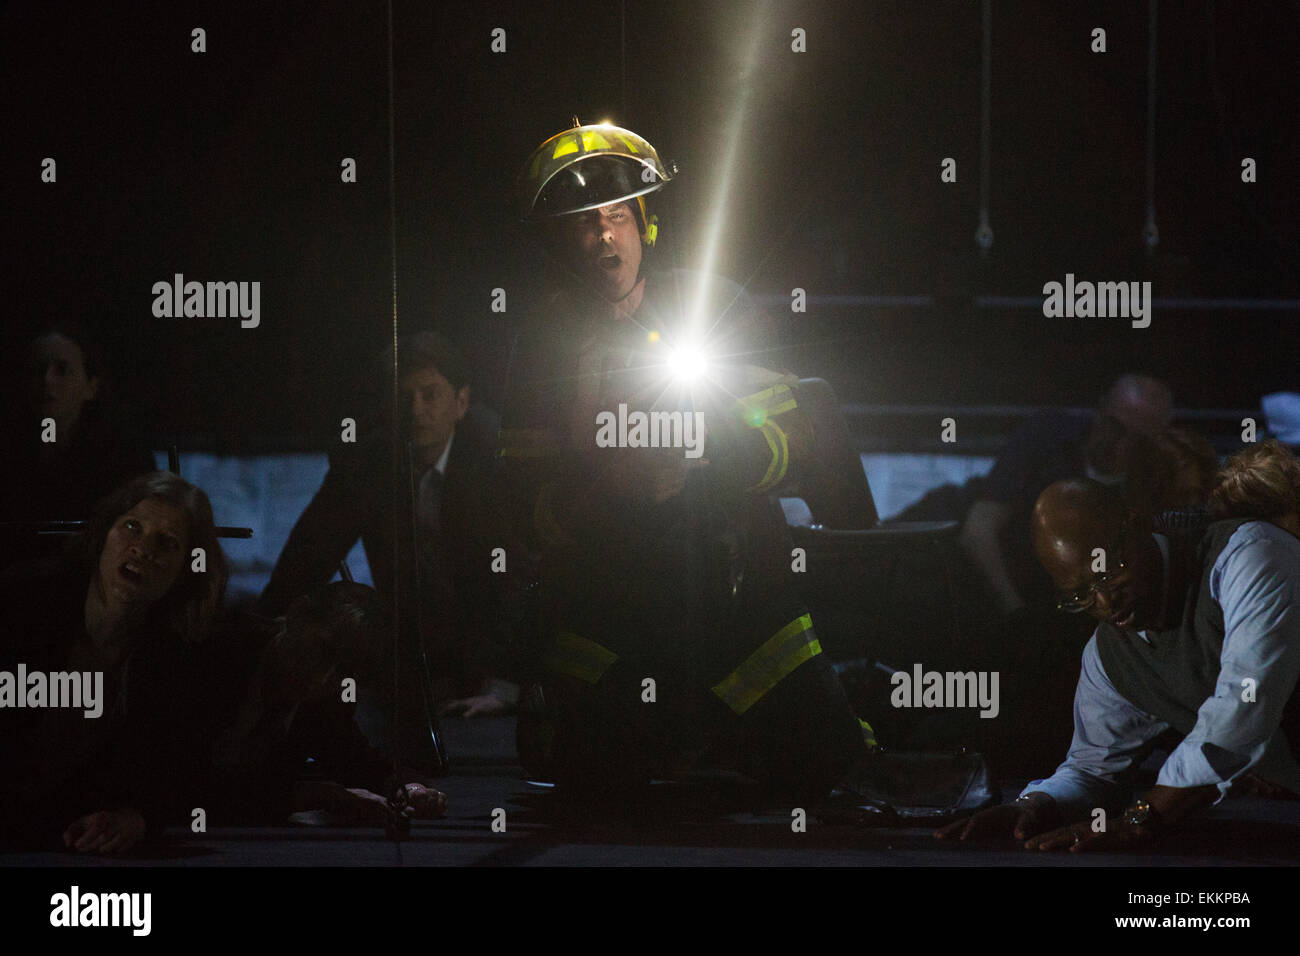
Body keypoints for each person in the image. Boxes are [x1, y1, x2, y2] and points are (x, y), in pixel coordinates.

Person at [500, 120, 868, 800]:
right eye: (584, 225)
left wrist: (709, 458)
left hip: (733, 582)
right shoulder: (540, 349)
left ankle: (762, 725)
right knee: (593, 783)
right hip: (607, 598)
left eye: (616, 217)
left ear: (645, 226)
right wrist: (603, 493)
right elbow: (520, 509)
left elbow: (793, 436)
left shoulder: (714, 306)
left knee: (827, 763)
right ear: (560, 243)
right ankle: (689, 736)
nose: (604, 236)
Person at [936, 477, 1300, 852]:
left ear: (1138, 522)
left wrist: (1145, 815)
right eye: (1081, 594)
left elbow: (1244, 702)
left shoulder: (1249, 557)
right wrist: (1037, 805)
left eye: (1108, 571)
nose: (1106, 603)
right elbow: (1093, 770)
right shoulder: (1109, 657)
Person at [259, 332, 508, 716]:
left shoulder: (496, 458)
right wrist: (260, 646)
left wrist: (509, 686)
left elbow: (526, 575)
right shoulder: (366, 462)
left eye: (430, 394)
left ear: (461, 401)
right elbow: (307, 559)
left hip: (498, 652)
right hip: (405, 655)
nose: (415, 410)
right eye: (402, 397)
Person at [0, 471, 227, 854]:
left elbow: (186, 770)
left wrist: (137, 818)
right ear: (105, 532)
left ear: (186, 568)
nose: (143, 548)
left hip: (73, 842)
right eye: (132, 527)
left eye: (167, 543)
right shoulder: (21, 602)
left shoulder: (180, 656)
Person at [198, 582, 447, 827]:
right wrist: (312, 795)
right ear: (297, 613)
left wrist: (409, 790)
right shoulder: (213, 658)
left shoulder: (324, 702)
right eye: (323, 649)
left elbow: (357, 761)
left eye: (344, 671)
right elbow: (183, 784)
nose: (322, 678)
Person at [0, 323, 157, 571]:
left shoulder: (124, 455)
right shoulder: (10, 447)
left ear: (91, 386)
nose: (47, 381)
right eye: (37, 370)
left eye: (62, 370)